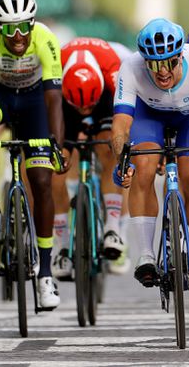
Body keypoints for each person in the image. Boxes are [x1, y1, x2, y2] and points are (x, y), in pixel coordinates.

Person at [0, 0, 65, 310]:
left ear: (33, 23)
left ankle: (46, 274)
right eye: (9, 28)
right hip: (0, 96)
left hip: (36, 101)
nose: (18, 35)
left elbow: (54, 100)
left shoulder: (46, 40)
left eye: (24, 26)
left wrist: (57, 146)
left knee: (42, 181)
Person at [111, 19, 189, 292]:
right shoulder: (130, 66)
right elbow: (120, 124)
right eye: (153, 64)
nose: (162, 71)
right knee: (142, 167)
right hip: (148, 117)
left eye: (169, 63)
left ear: (181, 56)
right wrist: (121, 158)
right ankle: (146, 255)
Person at [51, 36, 123, 280]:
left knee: (108, 149)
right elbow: (48, 110)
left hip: (104, 99)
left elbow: (126, 108)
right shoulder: (54, 67)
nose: (85, 113)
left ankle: (112, 228)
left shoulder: (112, 67)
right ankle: (61, 245)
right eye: (81, 109)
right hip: (65, 100)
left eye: (86, 108)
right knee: (56, 164)